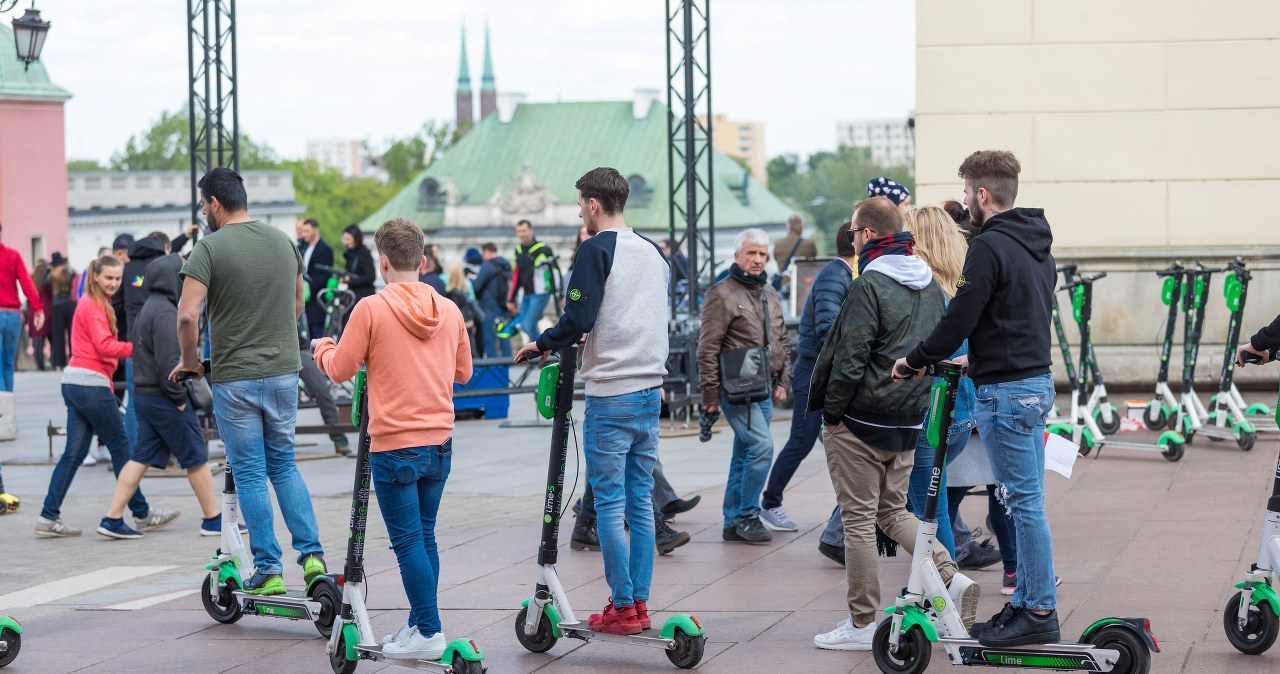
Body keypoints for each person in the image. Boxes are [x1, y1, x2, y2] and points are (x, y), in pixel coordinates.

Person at [897, 150, 1059, 648]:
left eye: (967, 191)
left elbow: (963, 314)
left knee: (1022, 504)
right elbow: (1018, 315)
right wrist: (979, 356)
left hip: (1007, 394)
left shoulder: (988, 247)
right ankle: (1029, 601)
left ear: (982, 194)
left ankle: (1037, 610)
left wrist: (917, 358)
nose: (964, 199)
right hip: (1032, 383)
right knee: (1026, 502)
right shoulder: (1036, 244)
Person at [808, 196, 977, 650]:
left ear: (865, 235)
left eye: (853, 231)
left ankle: (862, 624)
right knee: (894, 512)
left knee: (859, 520)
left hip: (861, 420)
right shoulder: (929, 284)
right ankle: (951, 578)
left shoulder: (869, 284)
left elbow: (849, 357)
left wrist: (832, 415)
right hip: (908, 418)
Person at [514, 167, 669, 635]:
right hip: (650, 391)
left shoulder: (595, 248)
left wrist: (541, 343)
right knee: (641, 504)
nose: (581, 210)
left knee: (609, 503)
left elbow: (577, 316)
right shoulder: (654, 252)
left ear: (595, 204)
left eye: (581, 203)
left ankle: (622, 606)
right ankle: (638, 604)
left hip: (612, 392)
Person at [314, 218, 472, 660]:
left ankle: (430, 630)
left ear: (383, 262)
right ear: (422, 261)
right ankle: (421, 622)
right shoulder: (450, 309)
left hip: (395, 443)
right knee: (426, 536)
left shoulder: (370, 309)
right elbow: (464, 373)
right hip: (440, 440)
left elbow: (340, 369)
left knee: (407, 543)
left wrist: (323, 347)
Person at [171, 168, 326, 595]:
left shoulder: (208, 248)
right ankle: (312, 557)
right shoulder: (284, 242)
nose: (205, 212)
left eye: (205, 205)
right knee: (285, 464)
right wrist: (271, 340)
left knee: (252, 472)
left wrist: (190, 363)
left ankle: (269, 569)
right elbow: (298, 303)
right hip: (282, 373)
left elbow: (186, 315)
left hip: (235, 379)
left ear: (214, 203)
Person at [36, 255, 178, 538]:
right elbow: (103, 346)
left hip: (77, 382)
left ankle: (48, 516)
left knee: (73, 454)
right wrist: (141, 347)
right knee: (122, 449)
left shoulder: (95, 302)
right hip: (90, 384)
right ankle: (141, 514)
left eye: (117, 278)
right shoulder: (92, 304)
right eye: (108, 278)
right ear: (96, 276)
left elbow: (100, 343)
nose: (113, 283)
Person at [95, 254, 221, 538]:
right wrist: (179, 399)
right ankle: (213, 519)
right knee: (196, 456)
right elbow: (168, 364)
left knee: (140, 457)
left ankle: (112, 518)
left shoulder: (148, 307)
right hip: (165, 397)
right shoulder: (165, 312)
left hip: (145, 394)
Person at [759, 222, 857, 537]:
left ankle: (843, 514)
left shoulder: (840, 274)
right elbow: (828, 327)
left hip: (821, 374)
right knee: (801, 440)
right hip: (816, 375)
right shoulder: (835, 275)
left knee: (837, 446)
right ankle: (770, 502)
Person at [697, 229, 791, 544]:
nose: (757, 259)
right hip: (736, 387)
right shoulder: (720, 293)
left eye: (762, 254)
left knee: (746, 452)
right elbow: (706, 349)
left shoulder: (769, 292)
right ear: (737, 256)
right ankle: (748, 514)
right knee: (762, 447)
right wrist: (710, 396)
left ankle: (733, 520)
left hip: (764, 386)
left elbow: (782, 339)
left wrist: (783, 381)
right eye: (751, 253)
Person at [0, 222, 44, 390]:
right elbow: (27, 283)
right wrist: (38, 308)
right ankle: (7, 404)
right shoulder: (13, 256)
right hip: (13, 316)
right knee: (8, 364)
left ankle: (2, 411)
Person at [507, 219, 557, 341]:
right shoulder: (518, 250)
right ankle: (540, 354)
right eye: (519, 231)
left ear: (531, 230)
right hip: (526, 294)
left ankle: (544, 350)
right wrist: (511, 298)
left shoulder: (543, 249)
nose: (521, 234)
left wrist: (558, 294)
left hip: (540, 294)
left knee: (527, 326)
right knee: (527, 326)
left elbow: (555, 272)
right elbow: (516, 276)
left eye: (524, 231)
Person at [298, 217, 335, 341]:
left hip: (317, 299)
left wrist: (309, 287)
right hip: (307, 299)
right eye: (303, 231)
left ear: (316, 230)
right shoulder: (305, 248)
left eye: (307, 231)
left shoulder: (325, 249)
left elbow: (325, 275)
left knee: (318, 334)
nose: (304, 234)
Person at [473, 243, 512, 358]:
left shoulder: (487, 266)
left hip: (489, 306)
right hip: (504, 305)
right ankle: (508, 361)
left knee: (490, 338)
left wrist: (471, 280)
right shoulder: (506, 265)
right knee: (504, 335)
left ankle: (493, 365)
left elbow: (476, 286)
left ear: (487, 252)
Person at [771, 214, 818, 289]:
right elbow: (813, 263)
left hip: (784, 285)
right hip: (803, 285)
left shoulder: (778, 243)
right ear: (801, 227)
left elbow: (776, 259)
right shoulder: (809, 243)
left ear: (788, 226)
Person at [49, 253, 75, 370]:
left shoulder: (52, 274)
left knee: (58, 336)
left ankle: (59, 362)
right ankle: (74, 358)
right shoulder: (69, 272)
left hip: (57, 305)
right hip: (70, 304)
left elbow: (44, 282)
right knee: (72, 334)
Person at [340, 224, 377, 307]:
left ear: (356, 239)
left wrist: (350, 280)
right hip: (352, 297)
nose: (346, 242)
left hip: (363, 297)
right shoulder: (350, 253)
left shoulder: (364, 253)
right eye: (344, 239)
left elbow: (371, 276)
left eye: (348, 239)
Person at [28, 258, 52, 371]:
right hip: (48, 310)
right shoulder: (48, 279)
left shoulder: (31, 279)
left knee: (37, 341)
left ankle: (40, 365)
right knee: (53, 340)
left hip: (34, 311)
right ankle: (54, 361)